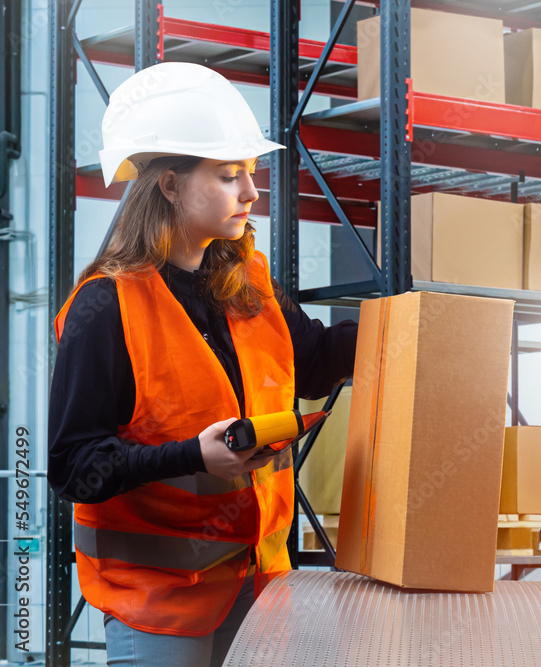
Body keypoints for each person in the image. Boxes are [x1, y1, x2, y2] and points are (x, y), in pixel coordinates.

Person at [46, 62, 358, 667]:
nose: (251, 192)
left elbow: (316, 363)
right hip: (160, 605)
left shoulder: (247, 284)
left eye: (249, 172)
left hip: (262, 589)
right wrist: (194, 456)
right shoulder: (105, 305)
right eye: (227, 175)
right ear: (168, 186)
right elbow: (72, 466)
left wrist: (409, 326)